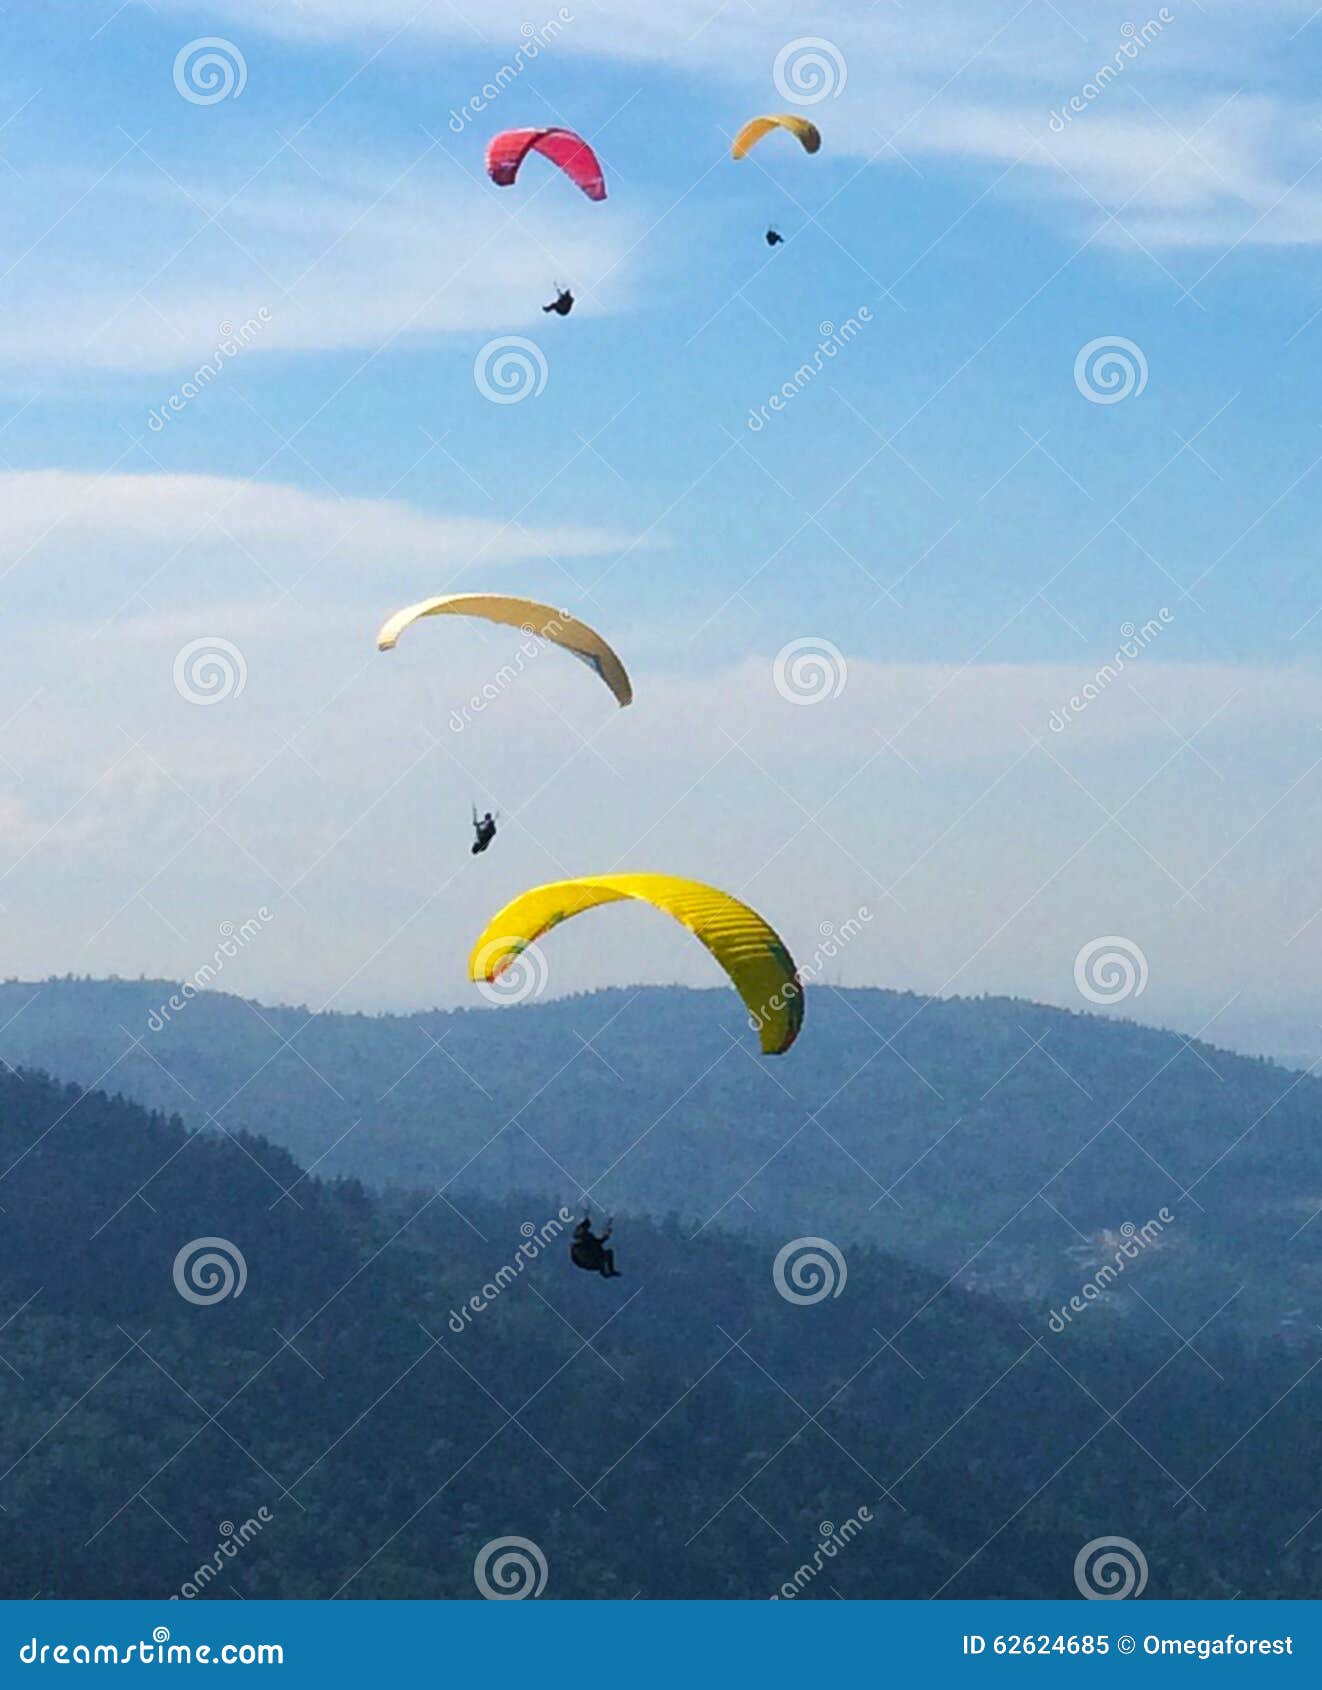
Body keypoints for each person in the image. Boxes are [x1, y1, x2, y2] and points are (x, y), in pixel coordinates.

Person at [571, 1213, 620, 1277]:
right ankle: (606, 1271)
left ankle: (609, 1270)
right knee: (606, 1255)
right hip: (589, 1261)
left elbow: (597, 1242)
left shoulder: (587, 1236)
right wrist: (605, 1236)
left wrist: (606, 1236)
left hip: (592, 1258)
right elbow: (596, 1243)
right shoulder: (580, 1241)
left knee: (609, 1253)